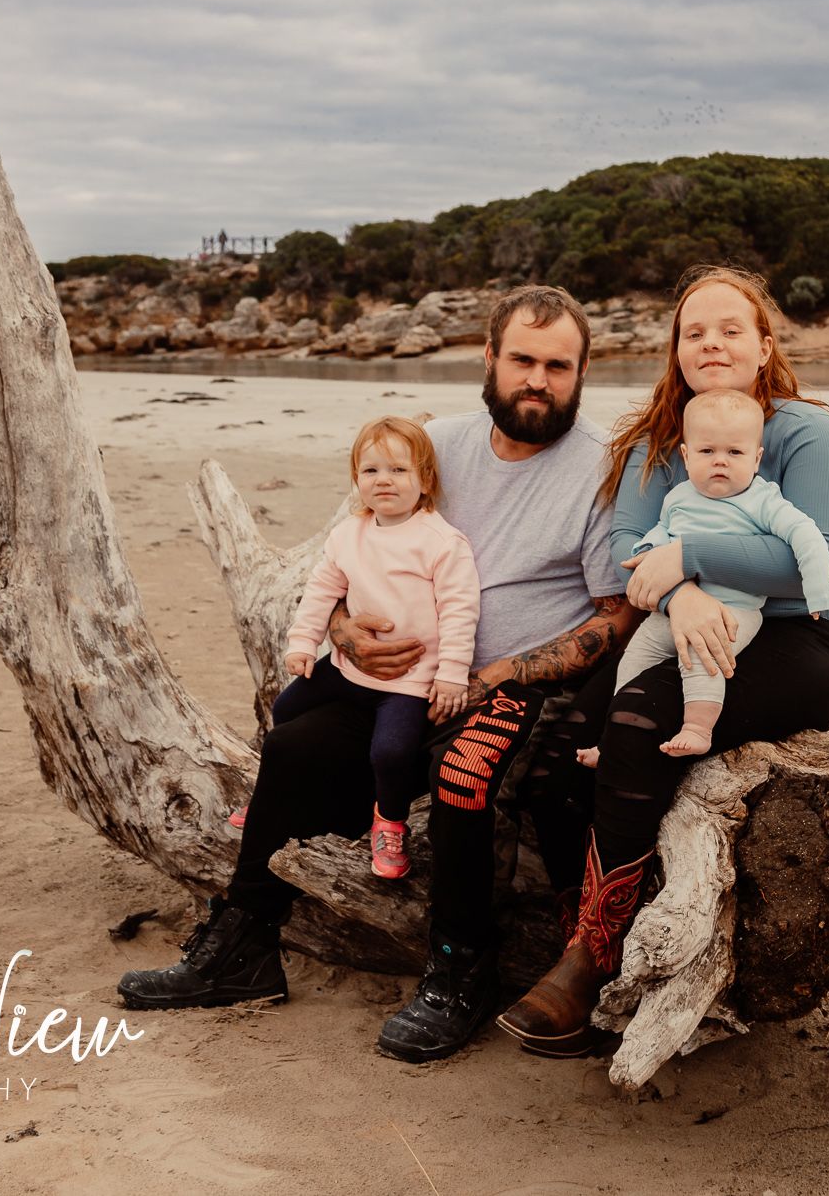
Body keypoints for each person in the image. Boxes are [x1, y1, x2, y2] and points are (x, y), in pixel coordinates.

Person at [117, 285, 638, 1064]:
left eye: (558, 366)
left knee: (464, 776)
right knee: (294, 746)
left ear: (583, 370)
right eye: (523, 360)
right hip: (397, 672)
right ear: (489, 357)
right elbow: (347, 551)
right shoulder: (437, 443)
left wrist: (504, 671)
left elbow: (614, 612)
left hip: (511, 684)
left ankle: (461, 967)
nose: (539, 380)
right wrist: (341, 630)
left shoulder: (603, 465)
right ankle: (242, 945)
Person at [499, 264, 829, 1058]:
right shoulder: (662, 438)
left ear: (764, 346)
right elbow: (631, 548)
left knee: (636, 718)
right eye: (694, 331)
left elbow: (813, 560)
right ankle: (579, 923)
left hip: (798, 638)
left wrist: (690, 558)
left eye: (731, 328)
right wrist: (682, 596)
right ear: (676, 350)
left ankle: (592, 958)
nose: (711, 343)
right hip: (675, 620)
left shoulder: (806, 435)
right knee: (557, 756)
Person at [269, 416, 480, 879]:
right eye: (371, 471)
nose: (384, 480)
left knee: (391, 752)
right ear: (356, 481)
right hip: (347, 667)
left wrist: (450, 674)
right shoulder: (349, 535)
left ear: (425, 481)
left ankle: (389, 822)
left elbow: (460, 611)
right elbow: (322, 592)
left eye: (399, 470)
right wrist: (303, 642)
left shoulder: (442, 543)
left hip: (410, 680)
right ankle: (283, 795)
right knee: (285, 710)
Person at [583, 388, 829, 766]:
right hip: (670, 614)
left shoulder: (763, 500)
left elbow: (806, 536)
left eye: (734, 453)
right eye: (707, 452)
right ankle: (610, 743)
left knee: (704, 659)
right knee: (634, 659)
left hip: (732, 612)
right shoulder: (679, 497)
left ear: (756, 458)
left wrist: (818, 593)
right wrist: (645, 557)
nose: (720, 462)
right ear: (686, 456)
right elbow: (658, 535)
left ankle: (698, 730)